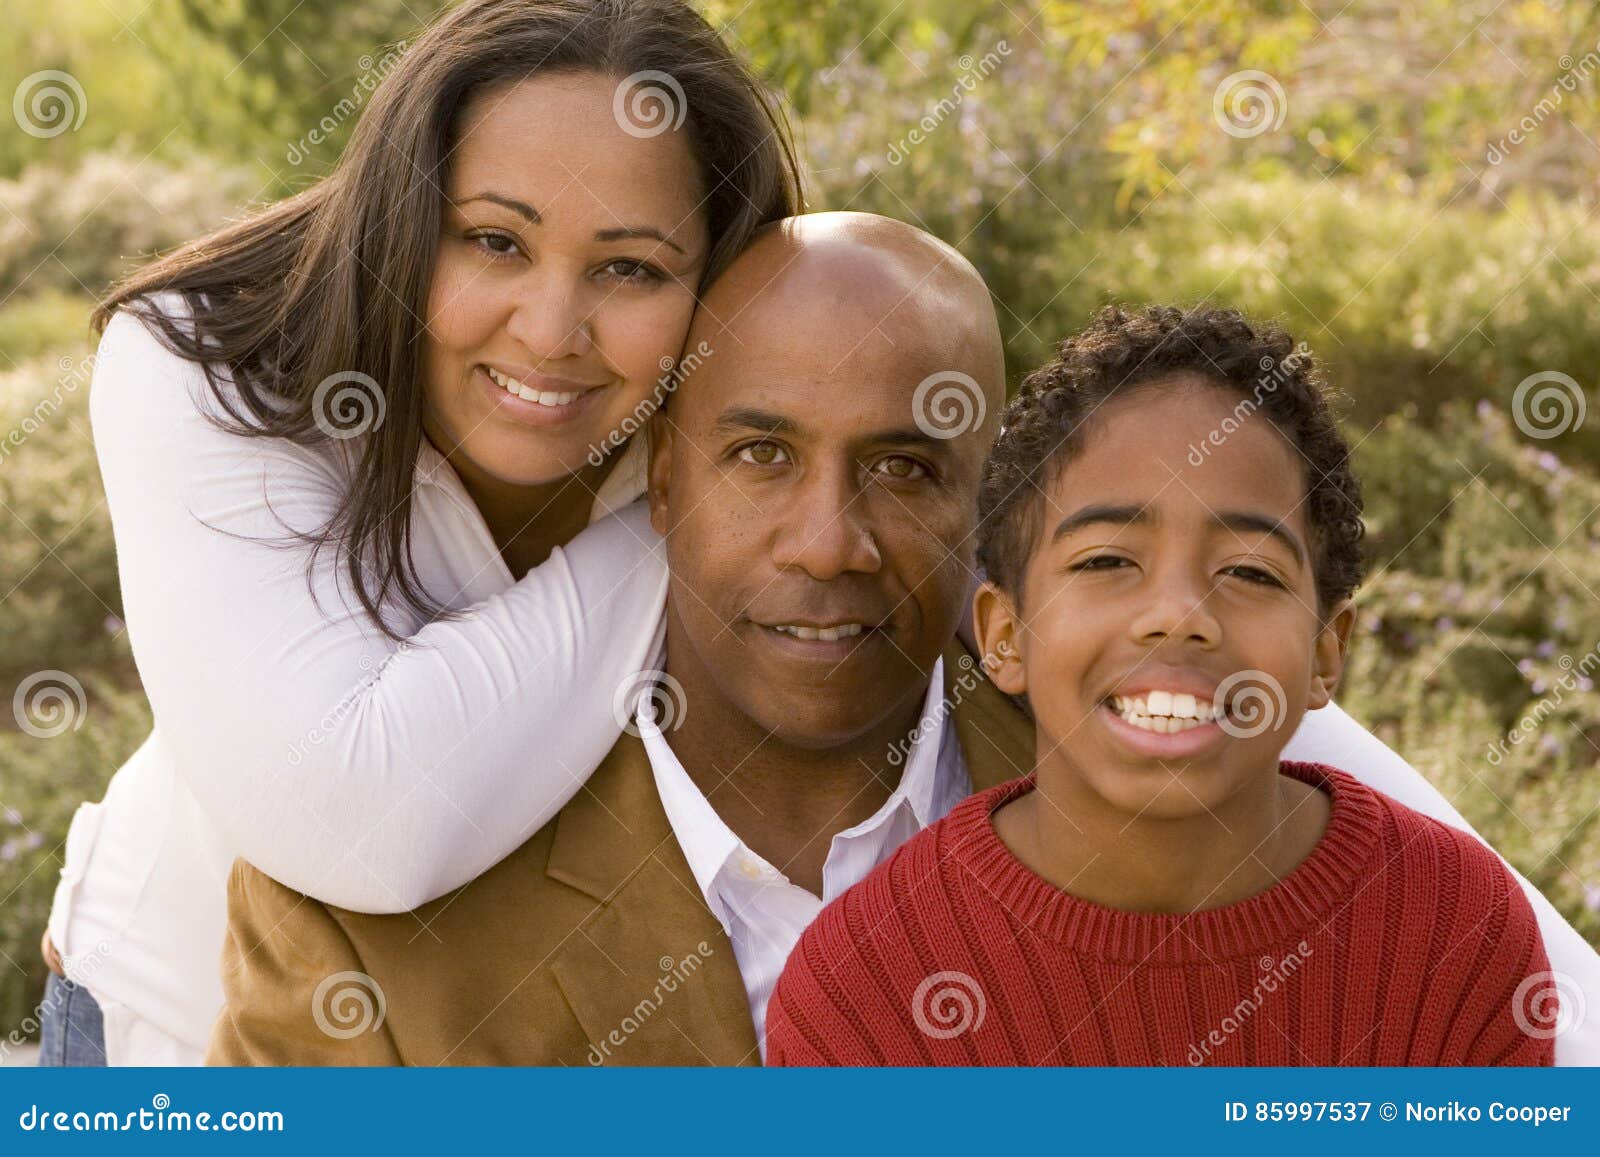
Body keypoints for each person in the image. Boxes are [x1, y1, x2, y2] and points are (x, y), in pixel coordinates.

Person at [41, 0, 801, 1066]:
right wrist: (701, 521)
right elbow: (359, 819)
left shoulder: (730, 388)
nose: (549, 332)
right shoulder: (202, 360)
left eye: (630, 267)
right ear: (407, 216)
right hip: (169, 1035)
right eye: (495, 240)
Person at [207, 212, 1021, 1064]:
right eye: (761, 454)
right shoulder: (358, 931)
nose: (826, 544)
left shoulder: (1145, 809)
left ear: (983, 501)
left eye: (903, 469)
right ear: (664, 479)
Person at [765, 305, 1560, 1066]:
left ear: (1327, 650)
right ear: (1004, 633)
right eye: (1108, 561)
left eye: (1248, 571)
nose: (1179, 615)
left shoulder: (1456, 930)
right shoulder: (862, 992)